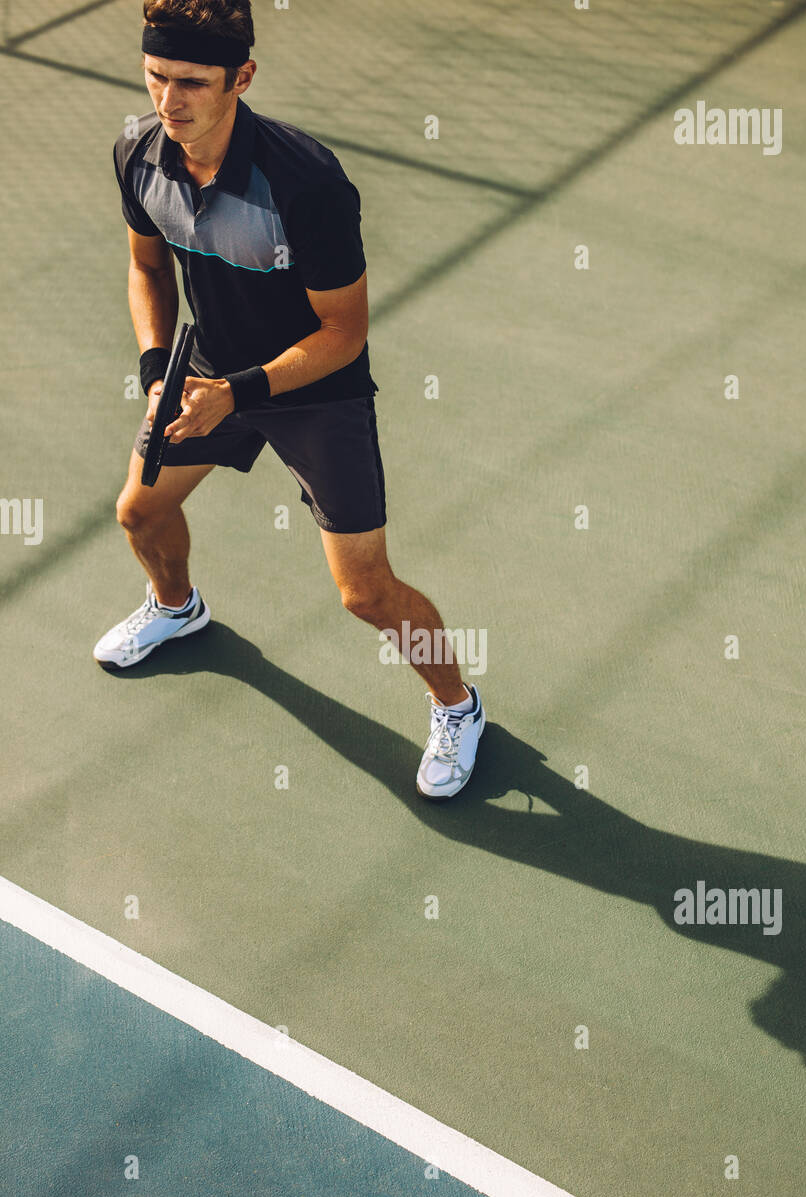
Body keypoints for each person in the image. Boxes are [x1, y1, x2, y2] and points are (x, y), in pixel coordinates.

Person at [96, 0, 485, 799]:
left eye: (193, 83)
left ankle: (459, 705)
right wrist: (155, 372)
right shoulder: (139, 151)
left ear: (242, 78)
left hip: (315, 389)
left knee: (365, 593)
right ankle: (178, 608)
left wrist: (234, 395)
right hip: (204, 367)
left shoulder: (306, 182)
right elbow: (147, 268)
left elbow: (343, 331)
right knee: (139, 512)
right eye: (157, 77)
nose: (170, 102)